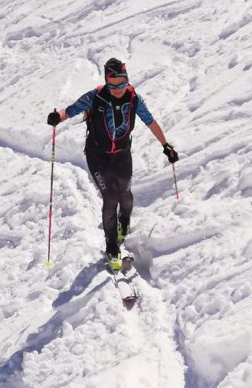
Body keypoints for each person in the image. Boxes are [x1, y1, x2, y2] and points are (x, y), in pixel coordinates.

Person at [47, 58, 178, 270]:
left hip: (122, 154)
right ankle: (111, 246)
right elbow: (70, 110)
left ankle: (123, 222)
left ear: (127, 80)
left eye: (121, 83)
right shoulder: (96, 96)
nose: (117, 89)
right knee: (110, 196)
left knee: (125, 194)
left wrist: (166, 146)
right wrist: (57, 116)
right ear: (107, 81)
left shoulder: (134, 98)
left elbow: (150, 121)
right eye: (113, 84)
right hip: (97, 154)